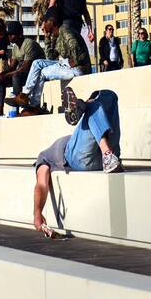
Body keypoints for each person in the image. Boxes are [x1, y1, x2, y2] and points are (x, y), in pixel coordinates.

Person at [32, 89, 123, 237]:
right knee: (93, 108)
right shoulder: (43, 157)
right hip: (76, 158)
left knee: (111, 96)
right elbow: (41, 185)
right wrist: (37, 213)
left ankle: (84, 107)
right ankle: (84, 106)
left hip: (101, 154)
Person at [9, 12, 91, 113]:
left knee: (41, 70)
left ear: (51, 22)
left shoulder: (65, 30)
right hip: (67, 64)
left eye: (45, 22)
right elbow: (51, 56)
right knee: (37, 64)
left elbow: (76, 47)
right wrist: (47, 37)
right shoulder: (57, 35)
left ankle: (32, 103)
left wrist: (73, 62)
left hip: (78, 69)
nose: (42, 25)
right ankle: (26, 97)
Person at [0, 21, 44, 118]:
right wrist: (2, 75)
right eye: (8, 35)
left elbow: (25, 67)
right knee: (0, 80)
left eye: (11, 34)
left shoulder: (29, 43)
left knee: (16, 76)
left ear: (19, 34)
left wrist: (8, 75)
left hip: (35, 73)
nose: (9, 37)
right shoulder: (15, 47)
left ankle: (18, 106)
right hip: (24, 73)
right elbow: (12, 67)